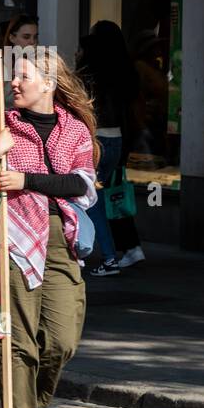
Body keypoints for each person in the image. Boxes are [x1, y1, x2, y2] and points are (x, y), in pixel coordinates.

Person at [0, 47, 97, 408]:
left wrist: (24, 178)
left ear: (49, 83)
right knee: (18, 337)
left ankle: (22, 406)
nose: (14, 84)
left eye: (23, 76)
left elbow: (81, 185)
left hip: (60, 237)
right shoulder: (1, 125)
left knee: (62, 339)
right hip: (13, 238)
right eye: (12, 77)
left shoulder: (75, 130)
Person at [77, 22, 140, 277]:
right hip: (117, 138)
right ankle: (120, 250)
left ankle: (109, 256)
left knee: (94, 200)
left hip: (97, 139)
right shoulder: (124, 71)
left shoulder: (89, 75)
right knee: (99, 196)